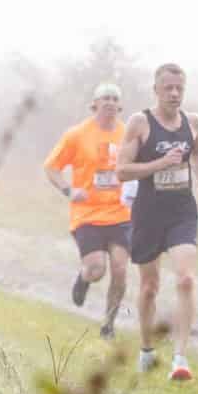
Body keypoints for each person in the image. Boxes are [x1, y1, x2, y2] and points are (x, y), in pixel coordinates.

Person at [116, 62, 198, 381]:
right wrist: (160, 162)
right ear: (156, 90)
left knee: (185, 279)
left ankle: (180, 359)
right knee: (150, 287)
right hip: (149, 213)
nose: (174, 94)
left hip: (182, 211)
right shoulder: (140, 123)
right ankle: (147, 350)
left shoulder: (193, 122)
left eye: (179, 88)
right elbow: (122, 170)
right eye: (168, 89)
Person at [42, 83, 131, 339]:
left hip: (121, 214)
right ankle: (84, 278)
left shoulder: (128, 135)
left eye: (115, 99)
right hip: (87, 215)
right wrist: (68, 190)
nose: (110, 103)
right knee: (97, 269)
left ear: (120, 105)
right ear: (95, 104)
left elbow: (139, 166)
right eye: (105, 98)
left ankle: (108, 325)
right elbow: (51, 167)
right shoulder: (77, 134)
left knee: (120, 269)